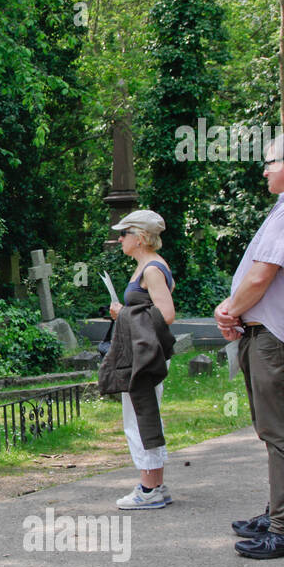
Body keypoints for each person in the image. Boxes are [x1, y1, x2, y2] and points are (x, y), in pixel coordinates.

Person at [215, 132, 284, 559]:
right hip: (264, 334)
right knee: (272, 430)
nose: (264, 169)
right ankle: (278, 512)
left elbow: (263, 274)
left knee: (282, 433)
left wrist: (230, 310)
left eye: (270, 162)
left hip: (275, 339)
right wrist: (238, 312)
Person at [105, 210, 177, 509]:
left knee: (140, 417)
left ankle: (148, 490)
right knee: (144, 415)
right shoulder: (145, 266)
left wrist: (122, 313)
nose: (119, 238)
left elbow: (167, 315)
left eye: (124, 233)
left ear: (140, 237)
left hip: (147, 354)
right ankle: (155, 484)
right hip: (142, 351)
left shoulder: (152, 269)